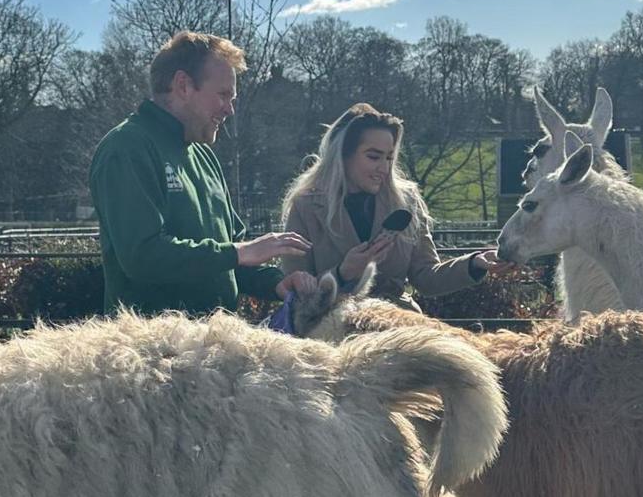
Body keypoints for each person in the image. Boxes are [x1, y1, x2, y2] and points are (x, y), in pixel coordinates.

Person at [90, 31, 315, 315]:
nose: (230, 110)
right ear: (183, 85)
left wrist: (277, 283)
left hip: (214, 345)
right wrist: (239, 252)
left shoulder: (204, 155)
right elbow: (142, 257)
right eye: (223, 95)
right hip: (151, 350)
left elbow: (232, 261)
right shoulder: (126, 148)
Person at [281, 103, 510, 312]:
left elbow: (427, 277)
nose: (384, 167)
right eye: (373, 157)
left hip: (397, 326)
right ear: (342, 155)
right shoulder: (306, 207)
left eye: (389, 158)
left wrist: (475, 263)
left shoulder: (405, 200)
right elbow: (295, 292)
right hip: (331, 331)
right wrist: (343, 273)